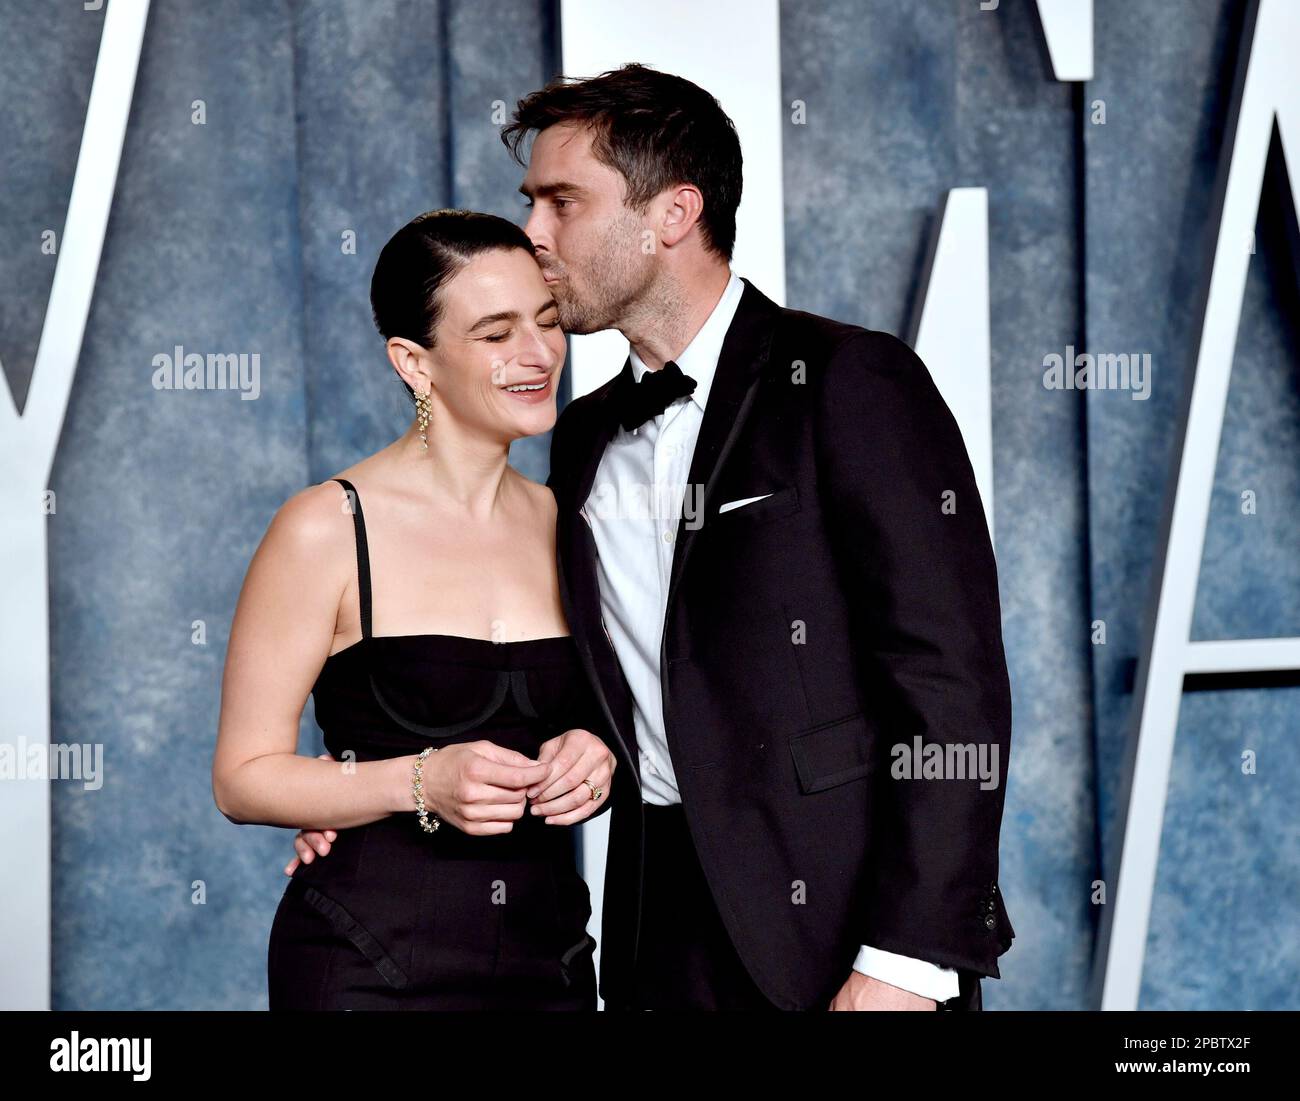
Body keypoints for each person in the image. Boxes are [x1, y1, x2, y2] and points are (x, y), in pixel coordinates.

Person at [294, 63, 1016, 1012]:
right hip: (646, 933)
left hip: (838, 930)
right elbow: (598, 667)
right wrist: (351, 795)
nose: (533, 235)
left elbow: (950, 687)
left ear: (672, 213)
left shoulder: (849, 381)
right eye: (531, 204)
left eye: (562, 203)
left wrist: (908, 961)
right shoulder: (581, 435)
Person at [212, 209, 620, 1010]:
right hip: (365, 963)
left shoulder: (573, 520)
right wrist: (420, 781)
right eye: (496, 333)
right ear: (413, 362)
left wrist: (596, 751)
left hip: (552, 963)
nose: (537, 355)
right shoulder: (325, 527)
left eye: (546, 321)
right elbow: (243, 778)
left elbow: (630, 707)